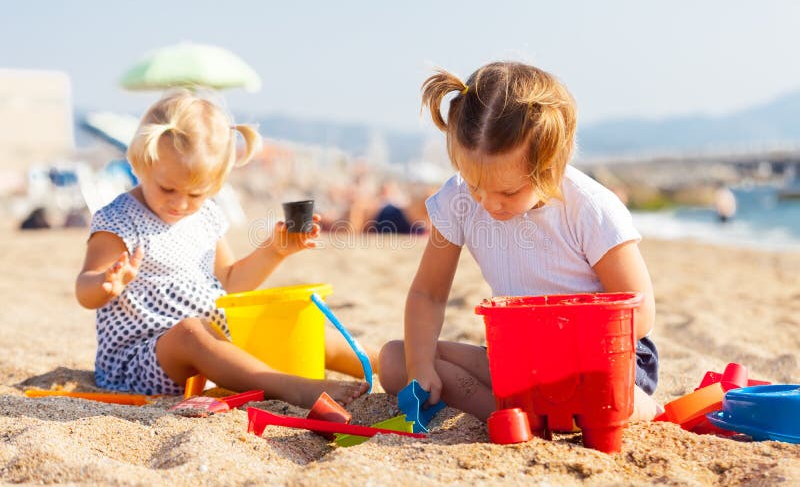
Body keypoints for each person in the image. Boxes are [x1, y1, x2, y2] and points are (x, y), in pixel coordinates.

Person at [378, 62, 661, 422]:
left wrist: (559, 354)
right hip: (517, 357)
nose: (488, 202)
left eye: (508, 191)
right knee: (393, 360)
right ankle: (517, 414)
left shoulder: (589, 208)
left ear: (551, 165)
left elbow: (640, 312)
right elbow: (428, 294)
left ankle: (640, 408)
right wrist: (419, 366)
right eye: (474, 184)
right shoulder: (460, 199)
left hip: (603, 357)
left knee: (590, 398)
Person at [75, 90, 369, 408]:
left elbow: (229, 282)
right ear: (142, 164)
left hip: (212, 344)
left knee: (290, 328)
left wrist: (275, 251)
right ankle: (290, 387)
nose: (180, 203)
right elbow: (85, 288)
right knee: (191, 331)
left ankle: (384, 363)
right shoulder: (119, 219)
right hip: (141, 360)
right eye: (167, 188)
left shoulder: (206, 216)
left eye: (196, 193)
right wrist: (106, 283)